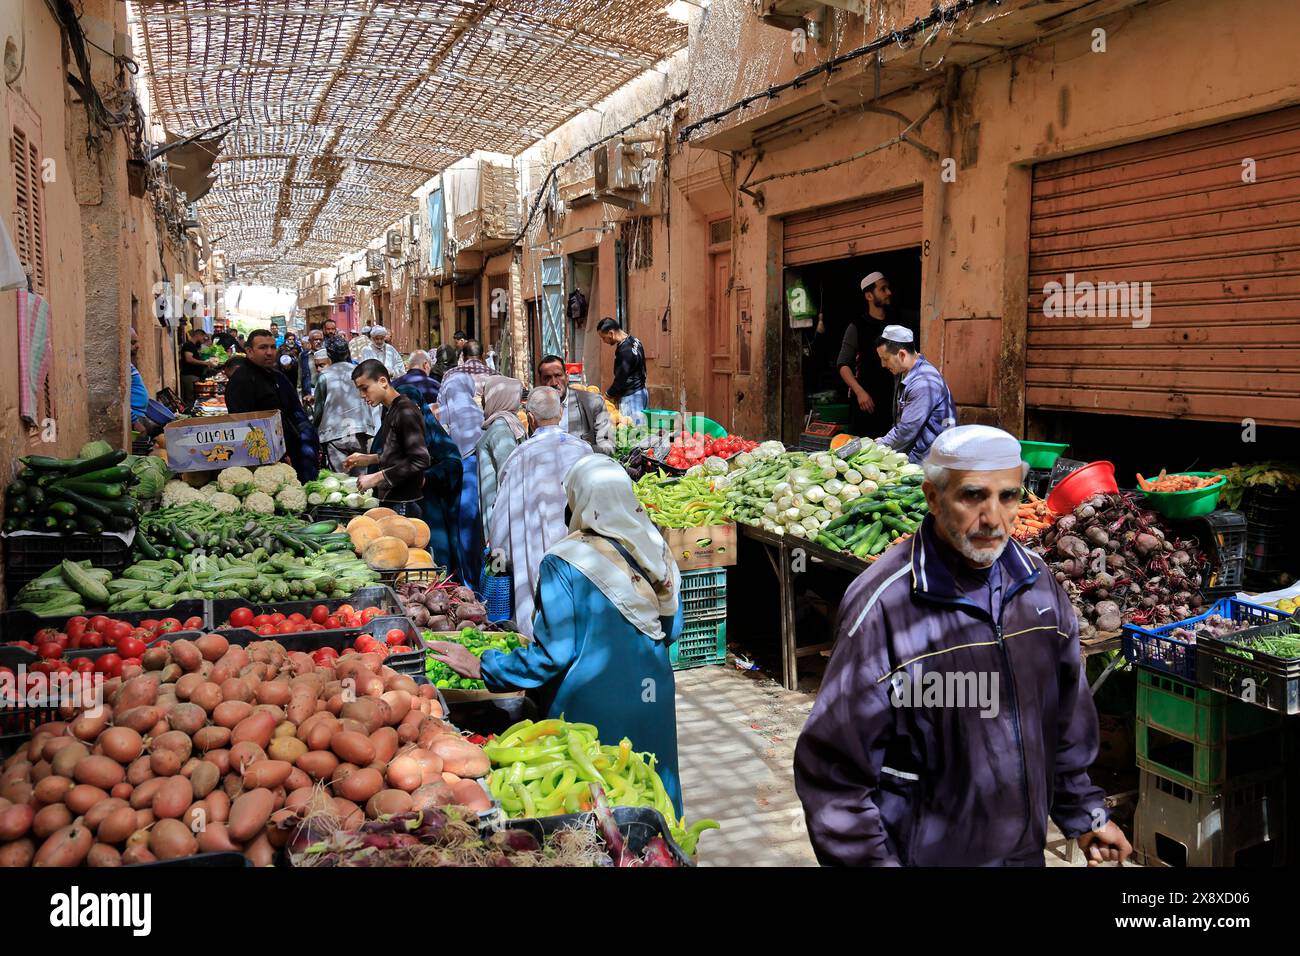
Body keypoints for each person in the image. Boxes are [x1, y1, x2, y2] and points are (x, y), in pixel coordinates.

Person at [792, 425, 1132, 867]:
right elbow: (834, 774)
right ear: (933, 497)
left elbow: (1064, 715)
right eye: (973, 496)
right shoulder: (886, 605)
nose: (993, 517)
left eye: (1008, 496)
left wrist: (1085, 813)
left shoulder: (1038, 587)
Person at [429, 454, 684, 816]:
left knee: (598, 801)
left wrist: (485, 667)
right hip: (653, 694)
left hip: (592, 705)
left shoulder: (565, 561)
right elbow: (673, 629)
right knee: (652, 791)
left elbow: (554, 655)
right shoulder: (655, 548)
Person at [487, 386, 592, 638]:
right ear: (562, 412)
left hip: (533, 554)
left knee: (538, 621)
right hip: (579, 551)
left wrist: (499, 556)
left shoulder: (520, 456)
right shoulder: (584, 451)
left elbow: (500, 520)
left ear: (530, 419)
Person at [224, 329, 320, 484]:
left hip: (293, 450)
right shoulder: (241, 381)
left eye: (272, 347)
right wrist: (277, 456)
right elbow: (242, 424)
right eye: (263, 348)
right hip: (266, 460)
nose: (269, 352)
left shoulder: (278, 376)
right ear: (249, 351)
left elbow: (296, 411)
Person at [393, 382, 465, 577]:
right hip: (395, 511)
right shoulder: (388, 432)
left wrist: (428, 477)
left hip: (430, 508)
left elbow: (453, 464)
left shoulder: (433, 433)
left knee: (436, 560)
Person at [342, 359, 430, 517]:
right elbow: (399, 454)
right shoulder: (391, 409)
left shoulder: (405, 411)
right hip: (393, 501)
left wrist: (376, 477)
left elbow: (420, 459)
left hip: (403, 504)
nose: (362, 395)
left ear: (382, 381)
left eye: (365, 388)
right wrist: (369, 459)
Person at [838, 271, 911, 438]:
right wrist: (859, 392)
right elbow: (843, 365)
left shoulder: (897, 323)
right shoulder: (856, 327)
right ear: (869, 295)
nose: (889, 292)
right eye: (883, 289)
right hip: (867, 403)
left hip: (894, 401)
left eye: (888, 288)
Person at [873, 326, 957, 464]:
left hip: (931, 462)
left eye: (885, 359)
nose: (883, 364)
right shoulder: (903, 373)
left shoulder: (923, 382)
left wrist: (879, 446)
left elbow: (907, 429)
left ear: (902, 355)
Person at [311, 337, 374, 473]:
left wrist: (314, 429)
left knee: (341, 481)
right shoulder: (359, 371)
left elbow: (319, 410)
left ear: (328, 354)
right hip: (359, 430)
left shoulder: (324, 376)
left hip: (335, 434)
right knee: (361, 478)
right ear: (347, 352)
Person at [475, 375, 526, 538]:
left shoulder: (501, 430)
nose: (483, 400)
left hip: (499, 524)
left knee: (498, 564)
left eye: (486, 394)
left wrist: (498, 531)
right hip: (501, 522)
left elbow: (508, 477)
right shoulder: (509, 424)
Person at [537, 354, 614, 456]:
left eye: (558, 375)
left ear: (567, 377)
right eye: (547, 378)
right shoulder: (536, 409)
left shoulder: (593, 403)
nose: (554, 382)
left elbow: (608, 447)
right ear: (540, 381)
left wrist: (575, 451)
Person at [597, 318, 649, 420]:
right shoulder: (635, 341)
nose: (604, 341)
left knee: (631, 432)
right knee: (641, 430)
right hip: (641, 392)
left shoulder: (625, 351)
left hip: (632, 398)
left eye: (604, 338)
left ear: (611, 333)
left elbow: (620, 380)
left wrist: (606, 396)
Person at [128, 329, 160, 439]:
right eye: (132, 343)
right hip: (135, 418)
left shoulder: (128, 364)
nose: (137, 346)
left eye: (137, 342)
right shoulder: (122, 367)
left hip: (141, 415)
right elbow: (122, 399)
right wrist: (135, 422)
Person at [179, 326, 216, 406]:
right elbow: (189, 359)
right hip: (189, 375)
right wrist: (205, 363)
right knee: (190, 398)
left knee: (194, 398)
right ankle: (190, 416)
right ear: (198, 335)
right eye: (203, 338)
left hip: (194, 375)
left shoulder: (194, 346)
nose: (203, 340)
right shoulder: (189, 345)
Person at [300, 328, 324, 401]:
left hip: (324, 392)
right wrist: (300, 397)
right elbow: (300, 377)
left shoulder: (328, 354)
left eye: (320, 339)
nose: (318, 342)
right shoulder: (303, 356)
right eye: (315, 340)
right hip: (310, 393)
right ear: (310, 341)